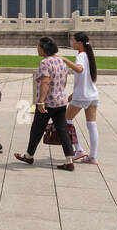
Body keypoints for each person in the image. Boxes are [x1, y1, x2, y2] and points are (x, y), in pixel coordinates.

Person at [13, 36, 76, 171]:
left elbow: (45, 82)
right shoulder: (60, 61)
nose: (37, 48)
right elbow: (64, 81)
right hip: (60, 101)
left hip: (48, 102)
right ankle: (69, 160)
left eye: (39, 46)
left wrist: (41, 101)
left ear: (44, 49)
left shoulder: (45, 63)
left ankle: (29, 155)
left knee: (37, 129)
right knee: (63, 129)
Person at [65, 31, 99, 164]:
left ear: (79, 43)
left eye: (73, 41)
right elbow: (85, 78)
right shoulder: (89, 56)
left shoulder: (81, 56)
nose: (72, 43)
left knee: (66, 121)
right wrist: (73, 93)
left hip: (82, 96)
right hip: (92, 95)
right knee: (92, 124)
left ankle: (78, 149)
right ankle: (93, 157)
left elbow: (79, 70)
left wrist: (65, 60)